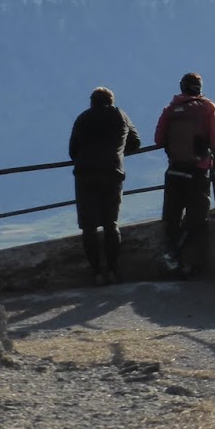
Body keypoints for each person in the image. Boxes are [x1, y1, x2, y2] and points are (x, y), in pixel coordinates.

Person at [68, 86, 141, 285]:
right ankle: (112, 270)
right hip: (112, 173)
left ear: (92, 102)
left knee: (89, 227)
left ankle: (96, 273)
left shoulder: (82, 118)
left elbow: (73, 151)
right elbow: (136, 142)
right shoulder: (120, 116)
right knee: (111, 224)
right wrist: (117, 151)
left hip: (85, 176)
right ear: (111, 101)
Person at [154, 71, 215, 276]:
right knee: (196, 218)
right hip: (197, 170)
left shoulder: (171, 109)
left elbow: (158, 139)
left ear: (181, 87)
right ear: (199, 88)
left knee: (172, 218)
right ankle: (184, 260)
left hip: (174, 170)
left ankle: (173, 264)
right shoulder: (207, 107)